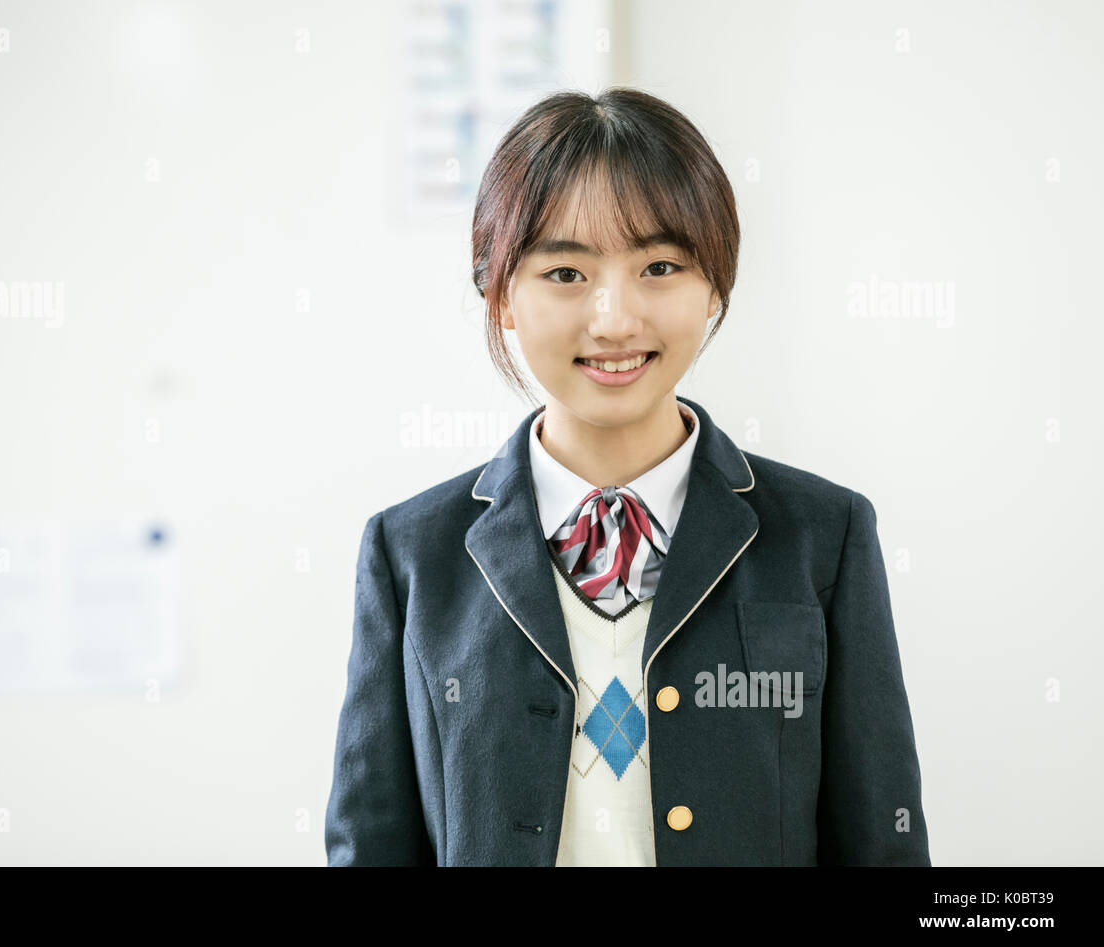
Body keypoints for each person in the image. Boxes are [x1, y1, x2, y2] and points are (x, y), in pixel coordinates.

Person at [325, 87, 929, 866]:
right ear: (502, 294)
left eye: (660, 266)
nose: (614, 318)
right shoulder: (410, 553)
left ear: (715, 285)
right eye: (567, 273)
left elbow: (883, 842)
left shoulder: (823, 535)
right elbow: (371, 844)